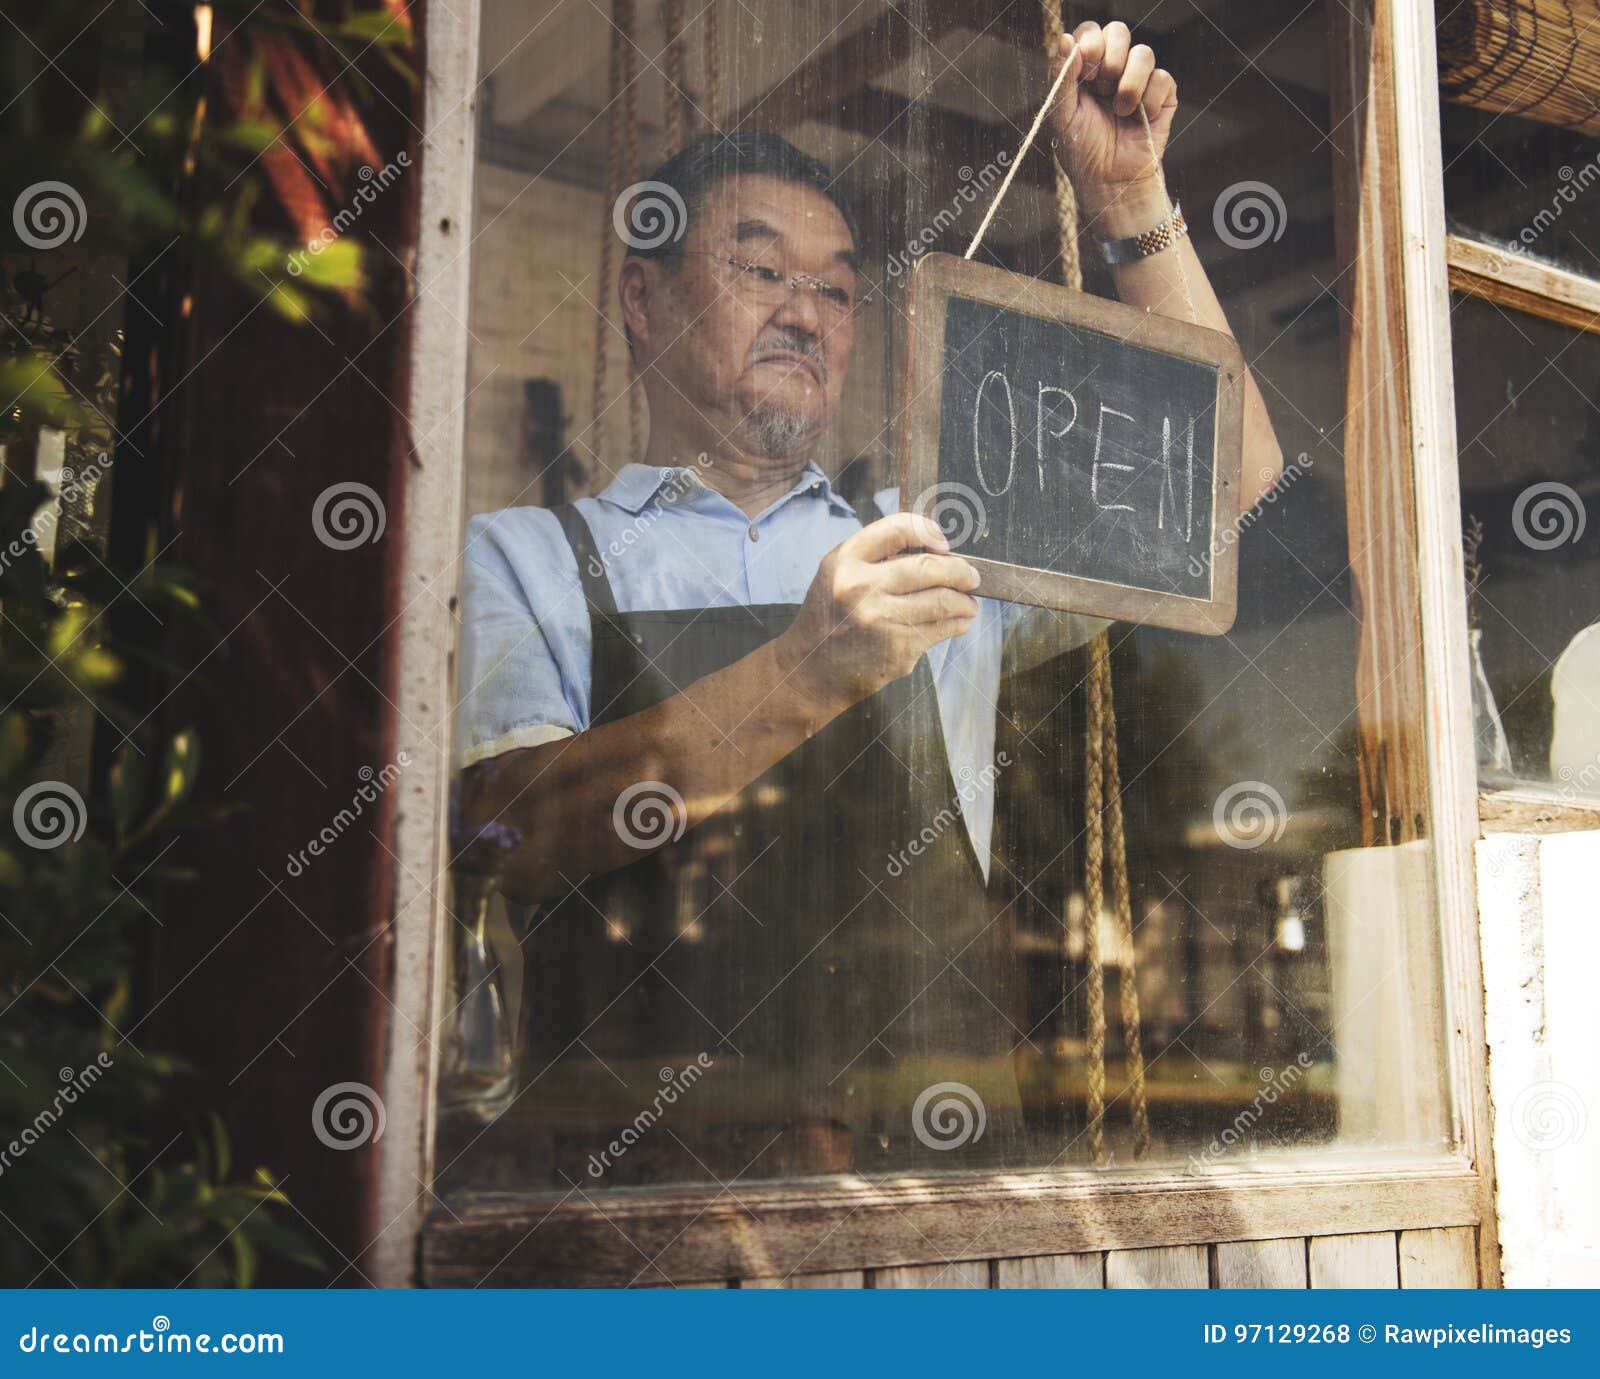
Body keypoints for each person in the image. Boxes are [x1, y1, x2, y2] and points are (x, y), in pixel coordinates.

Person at [458, 21, 1283, 1184]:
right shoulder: (530, 558)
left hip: (939, 1184)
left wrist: (1131, 200)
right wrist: (804, 667)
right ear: (641, 298)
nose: (805, 311)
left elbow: (1229, 490)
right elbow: (497, 832)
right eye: (759, 270)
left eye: (837, 291)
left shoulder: (928, 536)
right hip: (639, 1203)